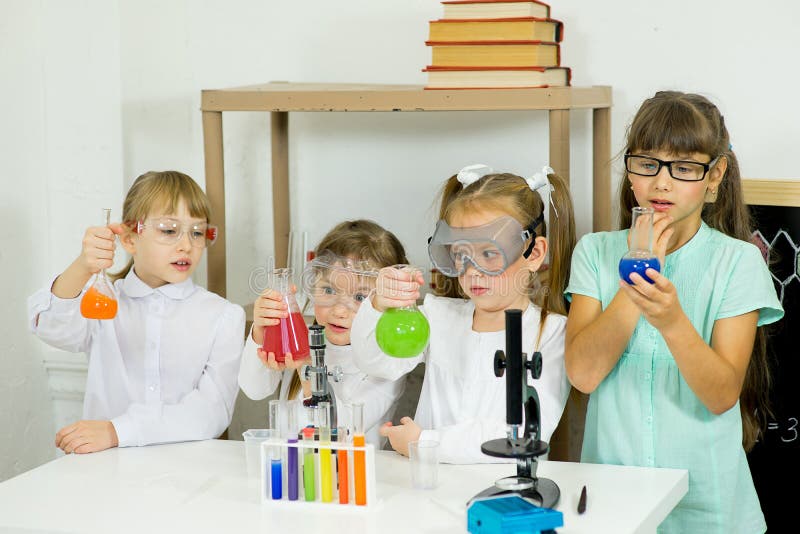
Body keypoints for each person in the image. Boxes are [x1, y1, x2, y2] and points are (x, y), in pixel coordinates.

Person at [564, 91, 783, 533]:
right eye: (647, 164)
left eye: (683, 168)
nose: (662, 183)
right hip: (615, 501)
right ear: (630, 171)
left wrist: (672, 321)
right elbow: (583, 375)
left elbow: (721, 394)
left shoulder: (738, 262)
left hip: (707, 508)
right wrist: (637, 271)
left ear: (714, 176)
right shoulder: (594, 251)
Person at [350, 164, 577, 463]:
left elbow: (523, 435)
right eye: (460, 254)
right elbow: (377, 363)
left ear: (533, 253)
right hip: (429, 483)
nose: (472, 271)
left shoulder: (551, 333)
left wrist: (424, 442)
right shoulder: (438, 316)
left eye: (489, 253)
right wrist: (379, 305)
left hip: (506, 487)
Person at [27, 171, 245, 454]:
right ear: (130, 239)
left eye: (197, 232)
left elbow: (212, 413)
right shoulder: (102, 304)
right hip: (105, 468)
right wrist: (83, 266)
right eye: (169, 230)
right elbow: (49, 325)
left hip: (186, 468)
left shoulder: (223, 316)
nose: (186, 245)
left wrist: (116, 431)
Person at [238, 219, 409, 445]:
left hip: (348, 467)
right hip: (291, 464)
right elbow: (255, 389)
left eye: (360, 297)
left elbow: (340, 429)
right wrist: (261, 333)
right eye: (328, 290)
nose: (339, 310)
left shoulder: (387, 363)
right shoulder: (303, 336)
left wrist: (307, 368)